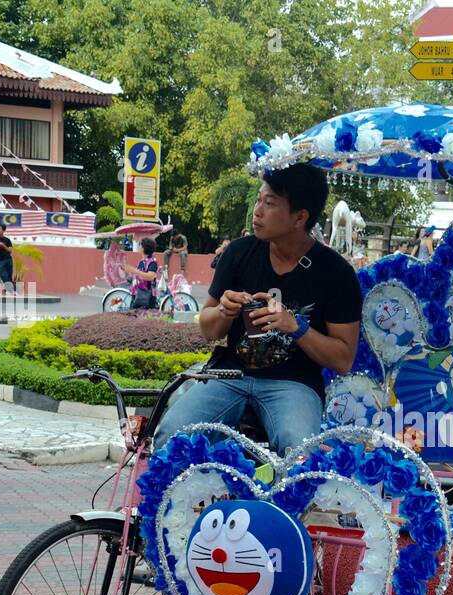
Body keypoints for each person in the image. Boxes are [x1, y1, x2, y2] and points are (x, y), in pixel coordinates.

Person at [155, 162, 362, 454]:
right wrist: (224, 311)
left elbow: (343, 359)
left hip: (293, 384)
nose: (258, 211)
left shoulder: (336, 273)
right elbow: (207, 329)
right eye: (258, 200)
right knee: (171, 436)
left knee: (300, 451)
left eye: (270, 203)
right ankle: (187, 500)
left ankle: (280, 502)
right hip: (228, 376)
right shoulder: (239, 253)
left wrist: (296, 326)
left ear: (299, 217)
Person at [123, 237, 161, 309]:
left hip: (147, 295)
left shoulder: (152, 262)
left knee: (144, 318)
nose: (139, 247)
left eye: (140, 245)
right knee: (134, 317)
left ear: (144, 248)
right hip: (137, 293)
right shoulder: (142, 262)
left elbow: (150, 277)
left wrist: (134, 271)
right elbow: (139, 275)